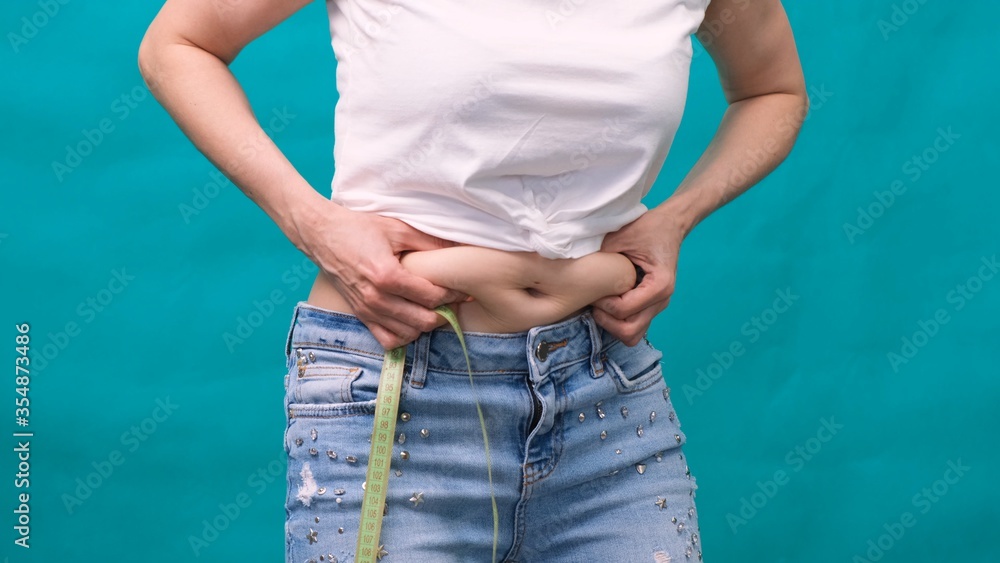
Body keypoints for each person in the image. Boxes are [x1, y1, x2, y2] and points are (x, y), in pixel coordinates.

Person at [138, 0, 807, 560]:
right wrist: (313, 223)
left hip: (604, 394)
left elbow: (773, 91)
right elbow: (178, 43)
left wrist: (677, 217)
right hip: (397, 388)